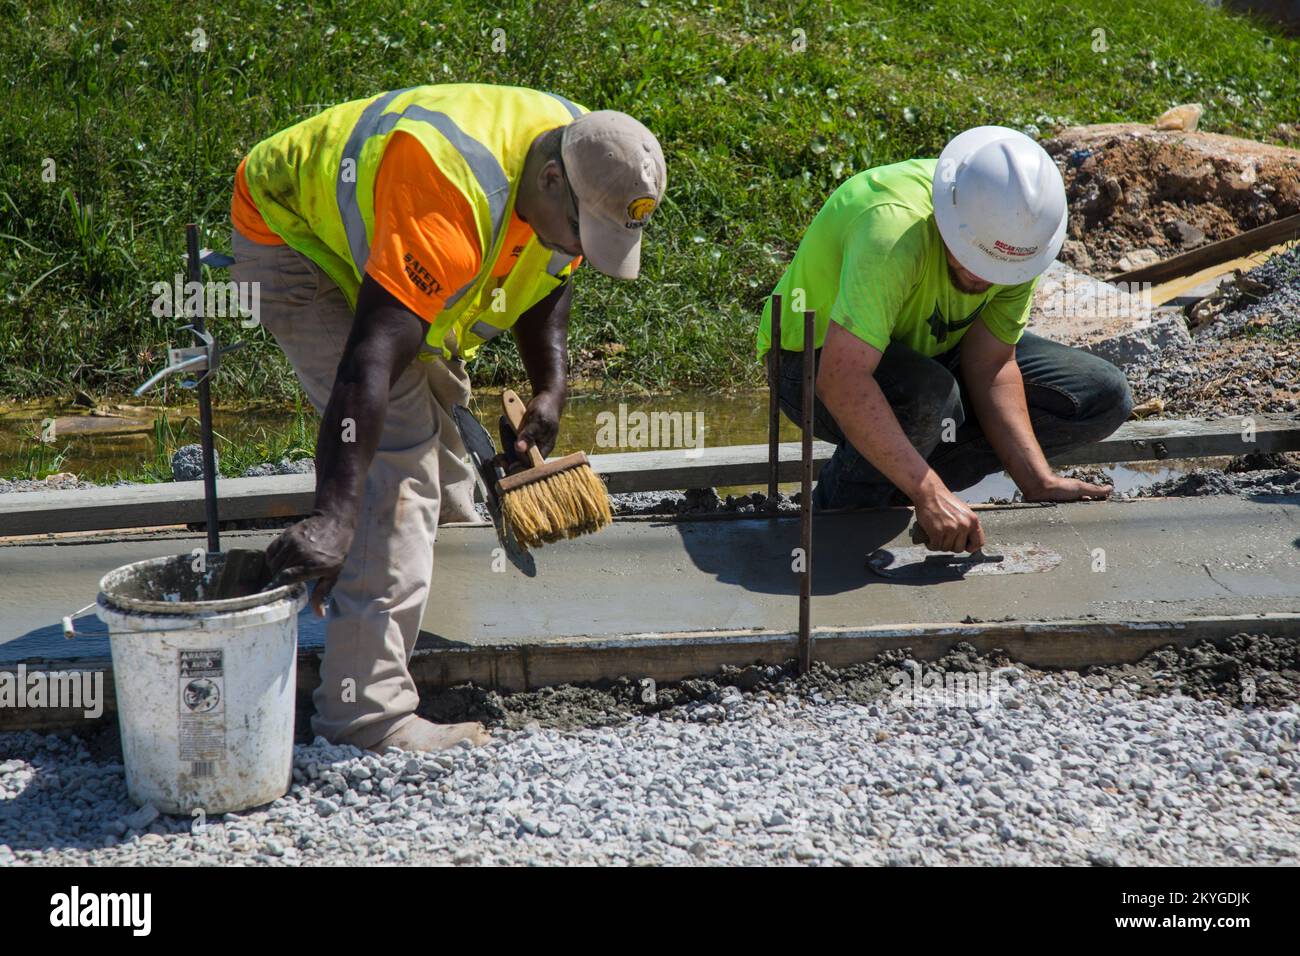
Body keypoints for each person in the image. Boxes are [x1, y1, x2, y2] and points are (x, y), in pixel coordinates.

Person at [229, 84, 666, 752]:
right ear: (550, 182)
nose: (583, 249)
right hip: (293, 236)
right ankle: (364, 715)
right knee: (398, 460)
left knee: (447, 459)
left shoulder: (592, 154)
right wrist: (335, 514)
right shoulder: (452, 191)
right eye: (584, 231)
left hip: (408, 240)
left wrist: (550, 386)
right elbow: (368, 363)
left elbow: (551, 267)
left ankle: (429, 631)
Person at [758, 126, 1132, 551]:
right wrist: (929, 490)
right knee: (932, 399)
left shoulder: (1015, 242)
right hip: (813, 359)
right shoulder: (892, 228)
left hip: (927, 355)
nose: (983, 278)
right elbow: (841, 380)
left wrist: (1036, 478)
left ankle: (898, 484)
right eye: (974, 260)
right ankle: (842, 520)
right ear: (947, 218)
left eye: (997, 271)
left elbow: (991, 364)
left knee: (1102, 394)